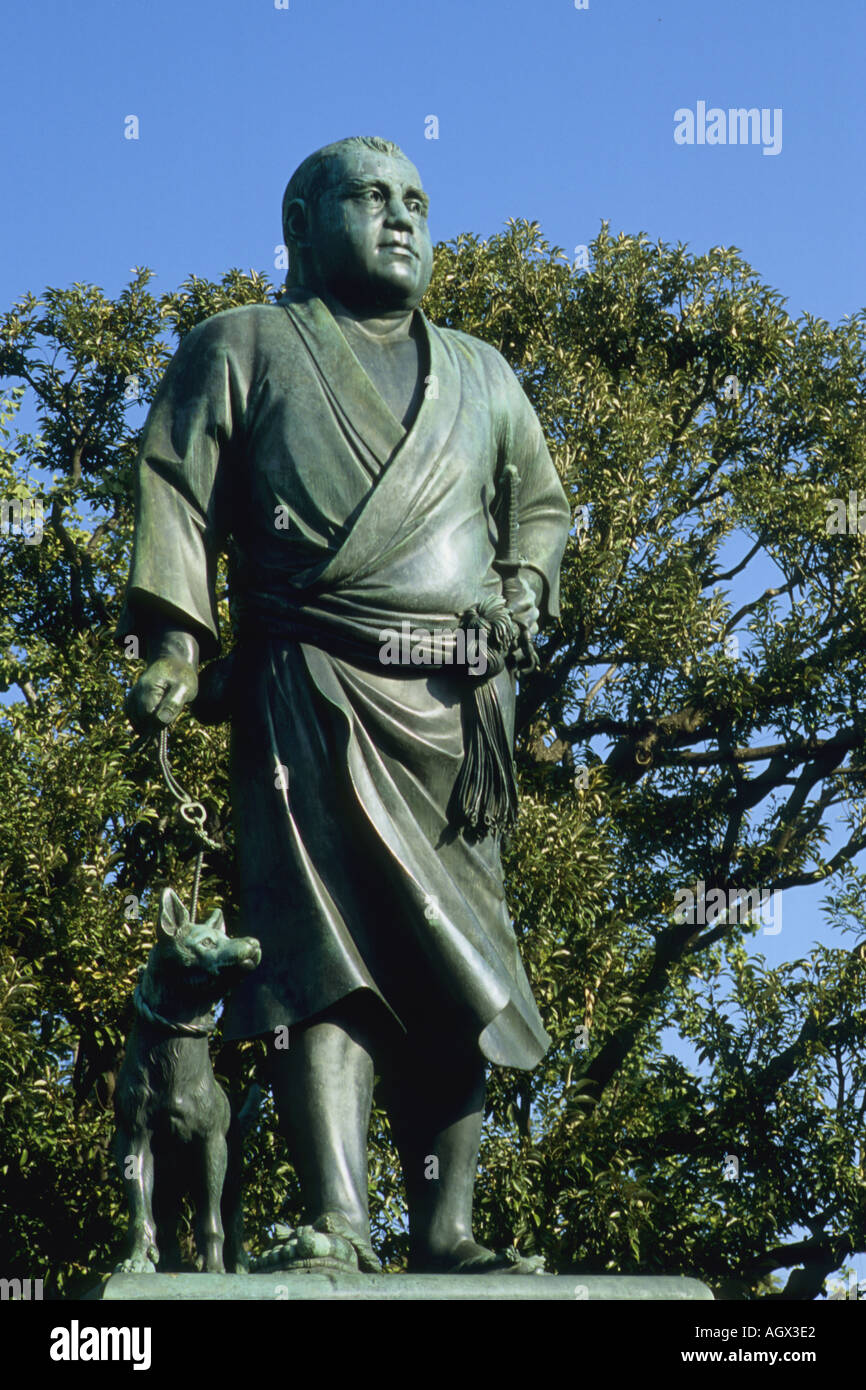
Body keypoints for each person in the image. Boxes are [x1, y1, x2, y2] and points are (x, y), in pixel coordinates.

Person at [119, 135, 570, 1275]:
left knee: (460, 961)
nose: (401, 217)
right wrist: (176, 643)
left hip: (458, 706)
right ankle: (337, 1217)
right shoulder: (242, 345)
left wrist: (521, 587)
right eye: (370, 198)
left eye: (415, 199)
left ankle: (446, 1226)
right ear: (301, 221)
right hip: (307, 685)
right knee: (318, 955)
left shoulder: (484, 374)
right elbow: (177, 484)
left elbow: (541, 511)